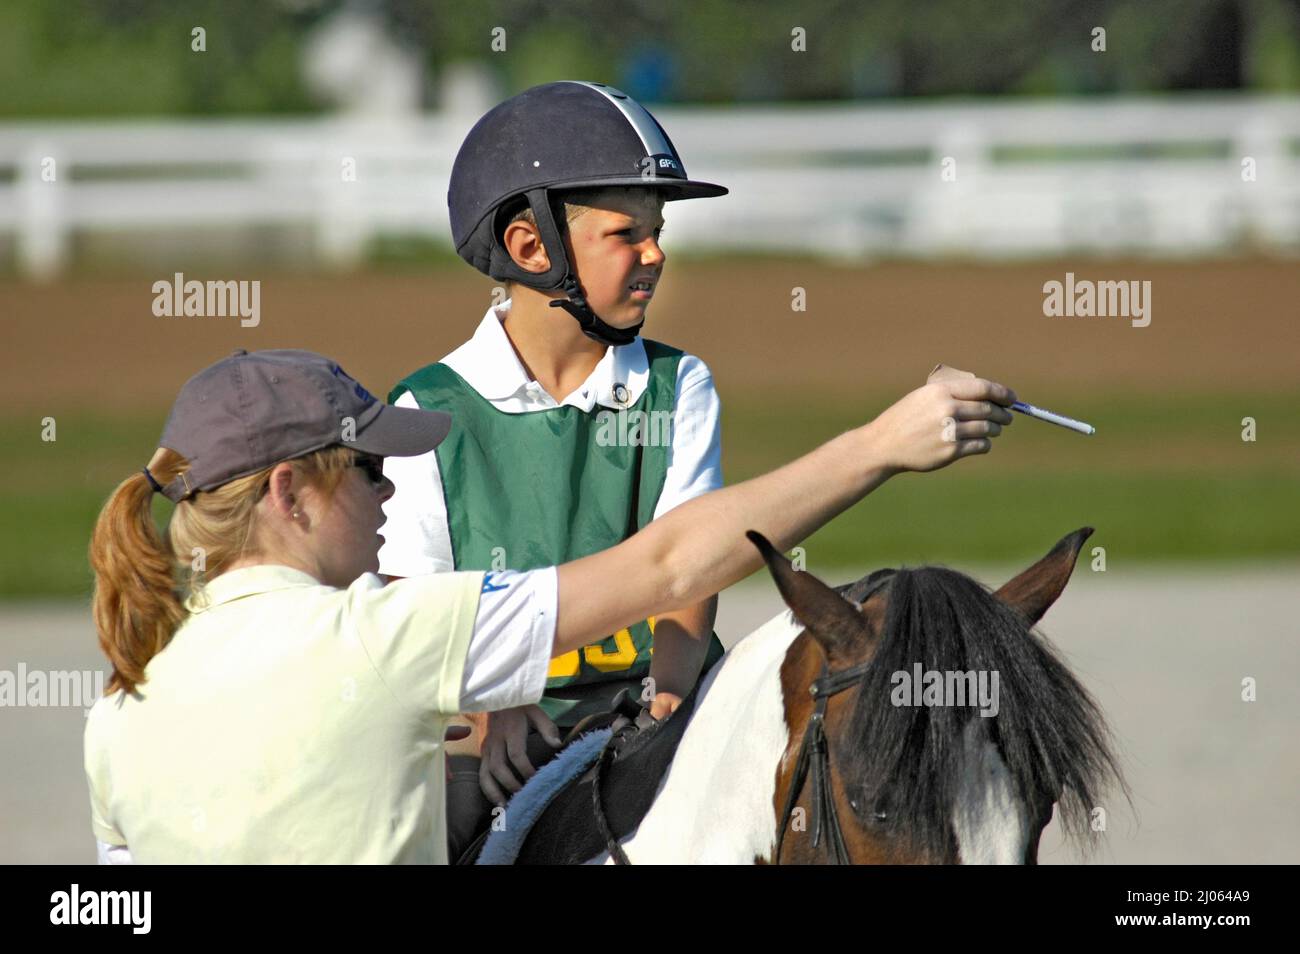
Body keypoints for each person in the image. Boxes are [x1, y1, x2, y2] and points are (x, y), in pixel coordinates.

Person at [84, 346, 1013, 864]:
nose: (390, 493)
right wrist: (882, 445)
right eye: (369, 469)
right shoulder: (393, 636)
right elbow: (671, 566)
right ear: (288, 493)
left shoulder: (120, 714)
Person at [377, 82, 729, 837]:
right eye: (625, 233)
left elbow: (691, 576)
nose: (656, 253)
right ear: (531, 247)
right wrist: (484, 705)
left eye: (658, 230)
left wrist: (664, 707)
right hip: (498, 732)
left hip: (656, 707)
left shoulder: (679, 386)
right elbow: (415, 623)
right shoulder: (425, 411)